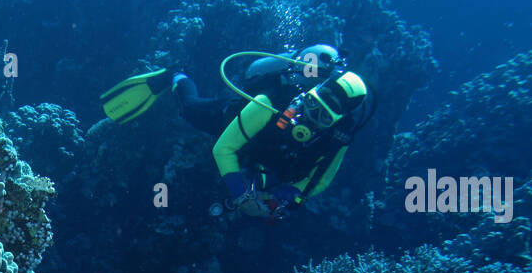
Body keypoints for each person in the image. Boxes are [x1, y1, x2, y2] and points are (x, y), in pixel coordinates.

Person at [100, 45, 374, 220]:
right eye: (313, 105)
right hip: (239, 123)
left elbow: (321, 179)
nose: (313, 117)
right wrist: (242, 196)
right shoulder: (272, 101)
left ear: (339, 120)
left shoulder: (340, 135)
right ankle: (176, 74)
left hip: (270, 153)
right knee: (190, 110)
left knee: (270, 177)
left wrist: (277, 200)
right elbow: (223, 148)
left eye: (324, 116)